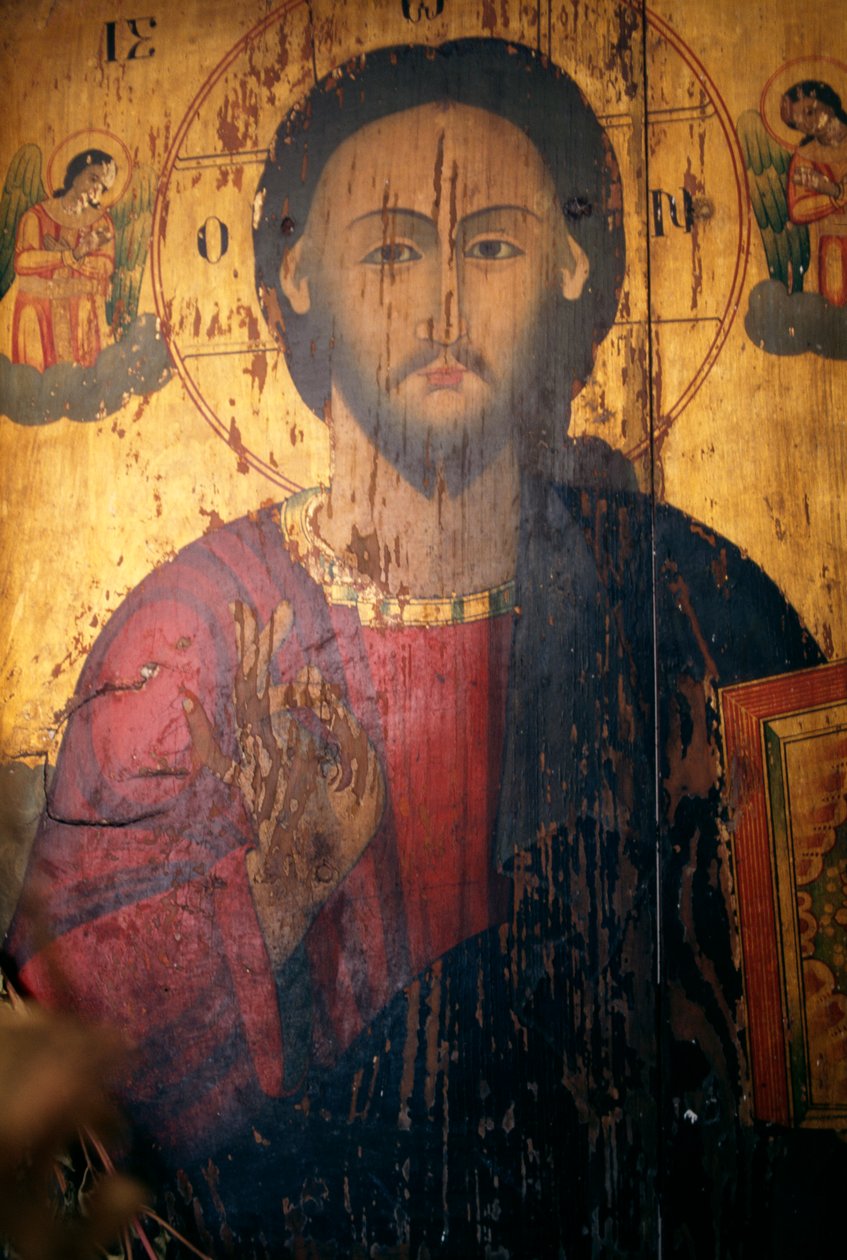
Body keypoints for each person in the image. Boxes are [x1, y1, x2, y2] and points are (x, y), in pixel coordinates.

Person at [7, 41, 829, 1257]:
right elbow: (65, 1100)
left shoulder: (701, 603)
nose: (442, 300)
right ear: (296, 275)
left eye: (490, 242)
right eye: (391, 247)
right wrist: (274, 896)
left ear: (569, 265)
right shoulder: (187, 641)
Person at [11, 148, 116, 369]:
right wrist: (70, 255)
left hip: (82, 314)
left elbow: (105, 267)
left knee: (82, 386)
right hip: (39, 312)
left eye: (102, 187)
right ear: (77, 172)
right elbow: (23, 261)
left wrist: (75, 258)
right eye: (92, 178)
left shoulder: (100, 222)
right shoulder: (36, 216)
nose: (94, 189)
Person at [782, 80, 847, 306]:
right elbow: (797, 209)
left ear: (829, 103)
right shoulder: (805, 157)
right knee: (836, 310)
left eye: (811, 111)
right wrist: (835, 196)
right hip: (833, 247)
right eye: (799, 122)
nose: (808, 123)